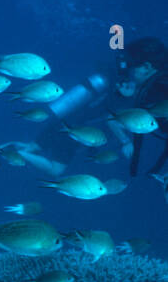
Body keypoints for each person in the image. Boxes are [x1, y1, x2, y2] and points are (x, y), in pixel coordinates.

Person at [10, 36, 168, 181]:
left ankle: (12, 149)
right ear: (146, 66)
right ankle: (16, 153)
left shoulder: (129, 87)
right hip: (74, 129)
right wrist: (125, 142)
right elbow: (112, 118)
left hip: (66, 123)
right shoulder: (128, 89)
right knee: (56, 170)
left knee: (32, 147)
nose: (130, 73)